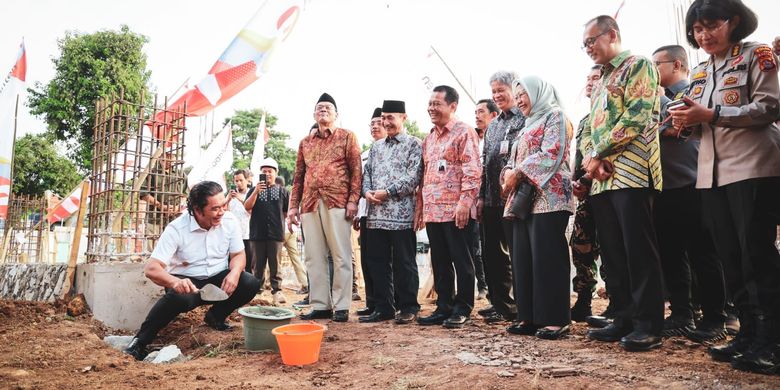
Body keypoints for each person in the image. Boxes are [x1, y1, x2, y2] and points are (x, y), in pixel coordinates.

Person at [669, 0, 780, 374]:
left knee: (756, 256)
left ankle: (772, 341)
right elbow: (700, 124)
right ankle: (748, 334)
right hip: (711, 174)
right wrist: (686, 122)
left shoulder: (756, 55)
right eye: (698, 30)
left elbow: (769, 107)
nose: (704, 36)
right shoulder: (701, 71)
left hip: (753, 167)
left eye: (712, 26)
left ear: (734, 21)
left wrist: (712, 114)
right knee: (730, 258)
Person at [580, 15, 665, 352]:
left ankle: (648, 324)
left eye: (591, 41)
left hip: (632, 172)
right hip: (602, 179)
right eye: (584, 44)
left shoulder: (638, 65)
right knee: (613, 253)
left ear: (611, 34)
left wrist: (598, 153)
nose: (588, 48)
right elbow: (589, 127)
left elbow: (637, 115)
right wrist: (592, 157)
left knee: (638, 250)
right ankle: (623, 317)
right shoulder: (601, 78)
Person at [123, 181, 261, 361]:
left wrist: (234, 273)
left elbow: (238, 255)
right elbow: (151, 268)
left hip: (218, 279)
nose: (222, 212)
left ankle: (215, 317)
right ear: (197, 209)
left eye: (223, 206)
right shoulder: (177, 228)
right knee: (180, 297)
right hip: (187, 282)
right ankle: (140, 342)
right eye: (215, 209)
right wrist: (175, 282)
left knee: (250, 283)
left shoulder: (229, 220)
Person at [651, 44, 728, 344]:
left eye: (657, 64)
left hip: (694, 183)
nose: (651, 71)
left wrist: (660, 111)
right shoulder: (653, 99)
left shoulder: (693, 90)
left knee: (703, 253)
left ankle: (715, 318)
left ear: (677, 64)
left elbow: (676, 125)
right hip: (664, 186)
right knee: (671, 254)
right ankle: (682, 314)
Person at [501, 76, 574, 340]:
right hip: (524, 200)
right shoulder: (527, 124)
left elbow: (552, 152)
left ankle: (555, 319)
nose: (519, 100)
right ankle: (528, 316)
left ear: (538, 93)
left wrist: (518, 173)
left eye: (523, 95)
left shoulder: (556, 116)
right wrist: (508, 171)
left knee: (547, 257)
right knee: (523, 257)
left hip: (550, 197)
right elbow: (514, 158)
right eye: (517, 96)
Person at [289, 93, 362, 323]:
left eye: (328, 107)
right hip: (310, 203)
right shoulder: (305, 142)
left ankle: (341, 306)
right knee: (314, 256)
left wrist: (353, 200)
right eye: (319, 107)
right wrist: (292, 207)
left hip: (338, 201)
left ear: (336, 114)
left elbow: (356, 170)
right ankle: (321, 305)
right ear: (314, 114)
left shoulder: (347, 136)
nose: (323, 110)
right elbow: (298, 177)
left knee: (341, 255)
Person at [416, 85, 482, 329]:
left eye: (437, 104)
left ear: (453, 106)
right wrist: (422, 207)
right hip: (434, 211)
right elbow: (425, 175)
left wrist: (465, 203)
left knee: (462, 261)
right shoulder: (429, 138)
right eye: (430, 104)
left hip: (456, 211)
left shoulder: (464, 132)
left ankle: (463, 307)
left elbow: (473, 170)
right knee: (440, 261)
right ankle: (443, 306)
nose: (431, 108)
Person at [360, 100, 423, 324]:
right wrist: (367, 192)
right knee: (377, 261)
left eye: (390, 117)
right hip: (376, 215)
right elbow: (366, 174)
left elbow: (413, 177)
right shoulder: (376, 147)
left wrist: (388, 192)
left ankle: (408, 306)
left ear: (403, 118)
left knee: (404, 262)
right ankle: (383, 307)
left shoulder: (414, 144)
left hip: (402, 215)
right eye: (383, 118)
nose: (386, 122)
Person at [476, 71, 525, 324]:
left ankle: (521, 305)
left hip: (515, 198)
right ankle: (500, 303)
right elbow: (485, 164)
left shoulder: (525, 119)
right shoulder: (493, 125)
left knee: (517, 253)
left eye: (500, 90)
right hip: (491, 200)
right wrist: (481, 197)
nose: (496, 95)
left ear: (514, 89)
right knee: (493, 256)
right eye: (493, 91)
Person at [570, 65, 604, 323]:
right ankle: (584, 299)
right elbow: (579, 156)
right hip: (586, 194)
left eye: (596, 78)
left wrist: (587, 179)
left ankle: (618, 302)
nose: (590, 83)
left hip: (607, 188)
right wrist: (576, 182)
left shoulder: (607, 115)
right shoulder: (584, 120)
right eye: (588, 78)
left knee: (611, 247)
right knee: (581, 245)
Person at [354, 107, 387, 317]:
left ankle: (388, 302)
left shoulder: (392, 150)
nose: (375, 127)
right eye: (372, 124)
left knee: (383, 260)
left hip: (387, 213)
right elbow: (361, 184)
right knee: (367, 260)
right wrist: (359, 213)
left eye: (379, 123)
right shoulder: (365, 154)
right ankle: (372, 302)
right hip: (366, 213)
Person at [244, 158, 289, 305]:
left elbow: (286, 211)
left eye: (270, 171)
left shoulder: (282, 191)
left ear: (276, 173)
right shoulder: (253, 189)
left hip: (276, 233)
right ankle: (257, 292)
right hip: (257, 233)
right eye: (264, 171)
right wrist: (256, 191)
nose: (267, 174)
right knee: (258, 266)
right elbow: (247, 206)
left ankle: (277, 291)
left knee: (276, 265)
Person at [471, 98, 498, 300]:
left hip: (500, 200)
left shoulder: (499, 136)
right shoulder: (479, 141)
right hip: (482, 201)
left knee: (497, 253)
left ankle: (493, 292)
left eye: (481, 112)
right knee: (484, 251)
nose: (477, 116)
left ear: (493, 115)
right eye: (475, 112)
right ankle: (493, 296)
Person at [275, 176, 307, 294]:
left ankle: (269, 283)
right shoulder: (289, 195)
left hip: (281, 230)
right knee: (295, 257)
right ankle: (305, 283)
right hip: (291, 230)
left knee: (273, 258)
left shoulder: (278, 194)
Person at [228, 169, 252, 273]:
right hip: (233, 235)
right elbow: (225, 212)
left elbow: (253, 212)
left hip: (247, 235)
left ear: (247, 180)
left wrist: (240, 198)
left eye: (241, 180)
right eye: (236, 181)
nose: (238, 183)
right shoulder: (231, 195)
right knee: (232, 265)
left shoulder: (252, 193)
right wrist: (228, 198)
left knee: (249, 265)